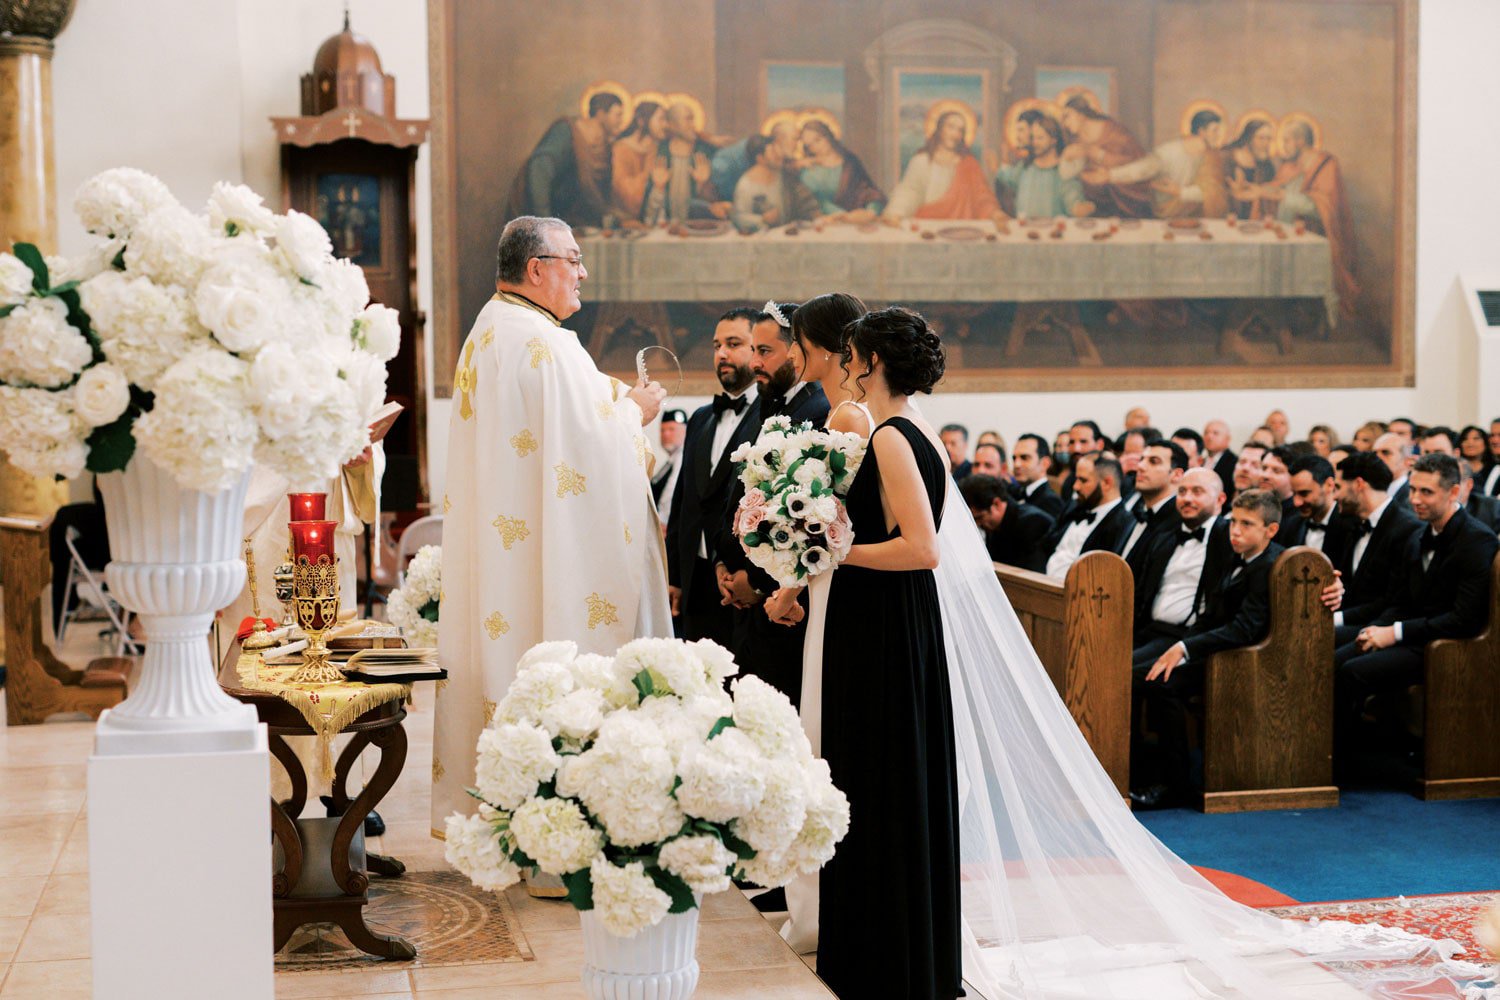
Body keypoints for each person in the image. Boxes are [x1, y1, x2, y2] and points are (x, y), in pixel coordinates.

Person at [431, 216, 671, 829]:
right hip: (546, 556)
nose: (583, 272)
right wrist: (636, 413)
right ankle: (561, 836)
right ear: (537, 269)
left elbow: (559, 432)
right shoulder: (548, 342)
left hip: (505, 556)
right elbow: (590, 452)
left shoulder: (489, 328)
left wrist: (610, 408)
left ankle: (513, 824)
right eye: (573, 259)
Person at [805, 306, 960, 1000]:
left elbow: (923, 550)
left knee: (875, 777)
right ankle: (893, 949)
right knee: (886, 777)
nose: (844, 366)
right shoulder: (915, 430)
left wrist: (836, 553)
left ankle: (881, 959)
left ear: (871, 363)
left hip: (885, 620)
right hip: (890, 618)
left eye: (851, 355)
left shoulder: (894, 437)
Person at [1336, 454, 1499, 769]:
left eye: (1426, 492)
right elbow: (1401, 600)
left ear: (1453, 493)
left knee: (1350, 671)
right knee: (1338, 655)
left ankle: (1339, 763)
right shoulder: (1419, 536)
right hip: (1415, 632)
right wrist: (1375, 630)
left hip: (1448, 645)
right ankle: (1332, 754)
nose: (1415, 500)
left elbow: (1464, 620)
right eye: (1412, 490)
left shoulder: (1477, 540)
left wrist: (1394, 633)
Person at [714, 299, 833, 715]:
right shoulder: (769, 402)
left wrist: (760, 583)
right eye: (754, 350)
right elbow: (735, 495)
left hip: (780, 608)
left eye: (764, 351)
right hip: (744, 607)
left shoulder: (819, 412)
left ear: (796, 350)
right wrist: (722, 565)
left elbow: (812, 521)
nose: (754, 361)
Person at [665, 308, 761, 646]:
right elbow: (684, 501)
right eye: (717, 345)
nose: (721, 353)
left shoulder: (774, 417)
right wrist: (675, 576)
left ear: (757, 349)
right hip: (696, 577)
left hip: (743, 581)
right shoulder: (701, 419)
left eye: (734, 343)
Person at [1268, 119, 1358, 318]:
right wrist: (1255, 191)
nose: (1282, 146)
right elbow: (1276, 191)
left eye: (1286, 140)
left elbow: (1325, 208)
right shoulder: (1289, 167)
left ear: (1300, 141)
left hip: (1315, 236)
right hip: (1285, 236)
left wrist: (1285, 197)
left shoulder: (1327, 164)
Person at [1330, 451, 1423, 641]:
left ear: (1358, 484)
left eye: (1338, 487)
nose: (1334, 496)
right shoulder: (1351, 523)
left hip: (1381, 626)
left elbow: (1391, 600)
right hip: (1354, 619)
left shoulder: (1408, 529)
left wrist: (1336, 618)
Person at [507, 90, 625, 226]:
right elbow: (540, 168)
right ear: (601, 114)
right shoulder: (568, 132)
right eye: (618, 115)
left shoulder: (604, 147)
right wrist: (546, 224)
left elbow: (593, 197)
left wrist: (614, 216)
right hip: (536, 218)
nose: (621, 120)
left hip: (568, 221)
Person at [1090, 109, 1228, 218]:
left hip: (1197, 219)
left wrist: (1180, 192)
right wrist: (1111, 175)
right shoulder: (1170, 152)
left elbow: (1214, 193)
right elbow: (1143, 169)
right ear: (1201, 132)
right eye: (1215, 130)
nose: (1218, 135)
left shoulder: (1211, 159)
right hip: (1167, 217)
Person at [883, 109, 1005, 223]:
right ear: (940, 129)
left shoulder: (969, 164)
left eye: (960, 130)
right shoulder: (921, 161)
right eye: (951, 127)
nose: (955, 134)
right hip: (928, 225)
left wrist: (994, 213)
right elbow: (910, 191)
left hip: (960, 228)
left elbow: (982, 196)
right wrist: (896, 212)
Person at [1042, 452, 1133, 578]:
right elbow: (1046, 544)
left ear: (1107, 483)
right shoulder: (1073, 507)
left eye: (1083, 480)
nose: (1076, 486)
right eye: (1076, 479)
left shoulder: (1124, 524)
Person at [1058, 96, 1152, 218]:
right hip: (1096, 203)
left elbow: (1135, 162)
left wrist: (1096, 154)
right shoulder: (1075, 140)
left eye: (1067, 116)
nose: (1065, 124)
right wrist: (1068, 161)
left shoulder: (1114, 132)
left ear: (1081, 115)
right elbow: (1072, 176)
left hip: (1127, 200)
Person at [642, 101, 729, 224]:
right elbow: (648, 215)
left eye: (693, 119)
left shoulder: (706, 151)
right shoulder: (660, 153)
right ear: (672, 125)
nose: (693, 125)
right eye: (688, 119)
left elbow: (718, 206)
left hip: (697, 231)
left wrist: (703, 185)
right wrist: (658, 188)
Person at [994, 110, 1092, 219]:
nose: (1035, 142)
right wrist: (1002, 162)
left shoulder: (1064, 171)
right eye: (1033, 138)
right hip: (1024, 232)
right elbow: (1009, 177)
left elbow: (1073, 201)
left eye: (1040, 138)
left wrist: (1080, 209)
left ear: (1053, 140)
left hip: (1052, 233)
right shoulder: (1025, 167)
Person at [960, 473, 1053, 572]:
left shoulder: (1033, 522)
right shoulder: (994, 525)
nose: (977, 524)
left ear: (996, 504)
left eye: (979, 518)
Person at [796, 119, 885, 222]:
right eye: (809, 145)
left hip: (861, 221)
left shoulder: (849, 162)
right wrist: (844, 216)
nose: (816, 147)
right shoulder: (808, 172)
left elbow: (868, 190)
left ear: (827, 136)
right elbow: (818, 201)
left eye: (818, 140)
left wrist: (871, 211)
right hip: (832, 223)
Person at [731, 133, 820, 233]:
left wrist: (817, 217)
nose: (779, 154)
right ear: (760, 158)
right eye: (773, 151)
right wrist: (762, 219)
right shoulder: (746, 185)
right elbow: (738, 217)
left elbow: (806, 202)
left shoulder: (785, 177)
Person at [1119, 440, 1187, 565]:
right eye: (1142, 459)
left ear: (1176, 475)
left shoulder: (1179, 523)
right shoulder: (1135, 515)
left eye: (1154, 461)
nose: (1140, 466)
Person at [710, 119, 798, 210]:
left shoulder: (776, 157)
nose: (797, 145)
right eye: (795, 139)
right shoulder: (755, 149)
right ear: (780, 139)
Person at [1285, 454, 1354, 563]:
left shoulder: (1351, 527)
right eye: (1294, 493)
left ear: (1329, 485)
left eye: (1304, 493)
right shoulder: (1291, 526)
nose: (1296, 502)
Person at [609, 100, 668, 221]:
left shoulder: (656, 148)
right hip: (625, 219)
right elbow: (624, 191)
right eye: (661, 119)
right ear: (642, 121)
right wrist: (649, 175)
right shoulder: (621, 148)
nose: (665, 125)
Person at [1222, 117, 1277, 219]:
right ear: (1249, 138)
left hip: (1255, 218)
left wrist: (1260, 193)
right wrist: (1233, 193)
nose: (1265, 143)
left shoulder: (1267, 165)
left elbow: (1271, 189)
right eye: (1261, 138)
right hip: (1230, 216)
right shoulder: (1227, 156)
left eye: (1269, 138)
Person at [1009, 433, 1064, 517]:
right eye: (1014, 458)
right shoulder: (1016, 495)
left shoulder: (1051, 502)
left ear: (1045, 463)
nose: (1017, 464)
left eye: (1024, 458)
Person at [651, 408, 687, 525]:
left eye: (672, 429)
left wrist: (662, 521)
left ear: (685, 432)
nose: (666, 434)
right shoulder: (670, 461)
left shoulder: (683, 457)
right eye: (662, 430)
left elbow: (672, 490)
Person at [1202, 419, 1238, 502]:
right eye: (1206, 433)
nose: (1209, 437)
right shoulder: (1200, 461)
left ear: (1227, 439)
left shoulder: (1234, 462)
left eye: (1215, 433)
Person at [1373, 431, 1412, 507]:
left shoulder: (1411, 495)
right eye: (1374, 453)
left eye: (1385, 453)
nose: (1377, 458)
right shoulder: (1370, 490)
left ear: (1406, 460)